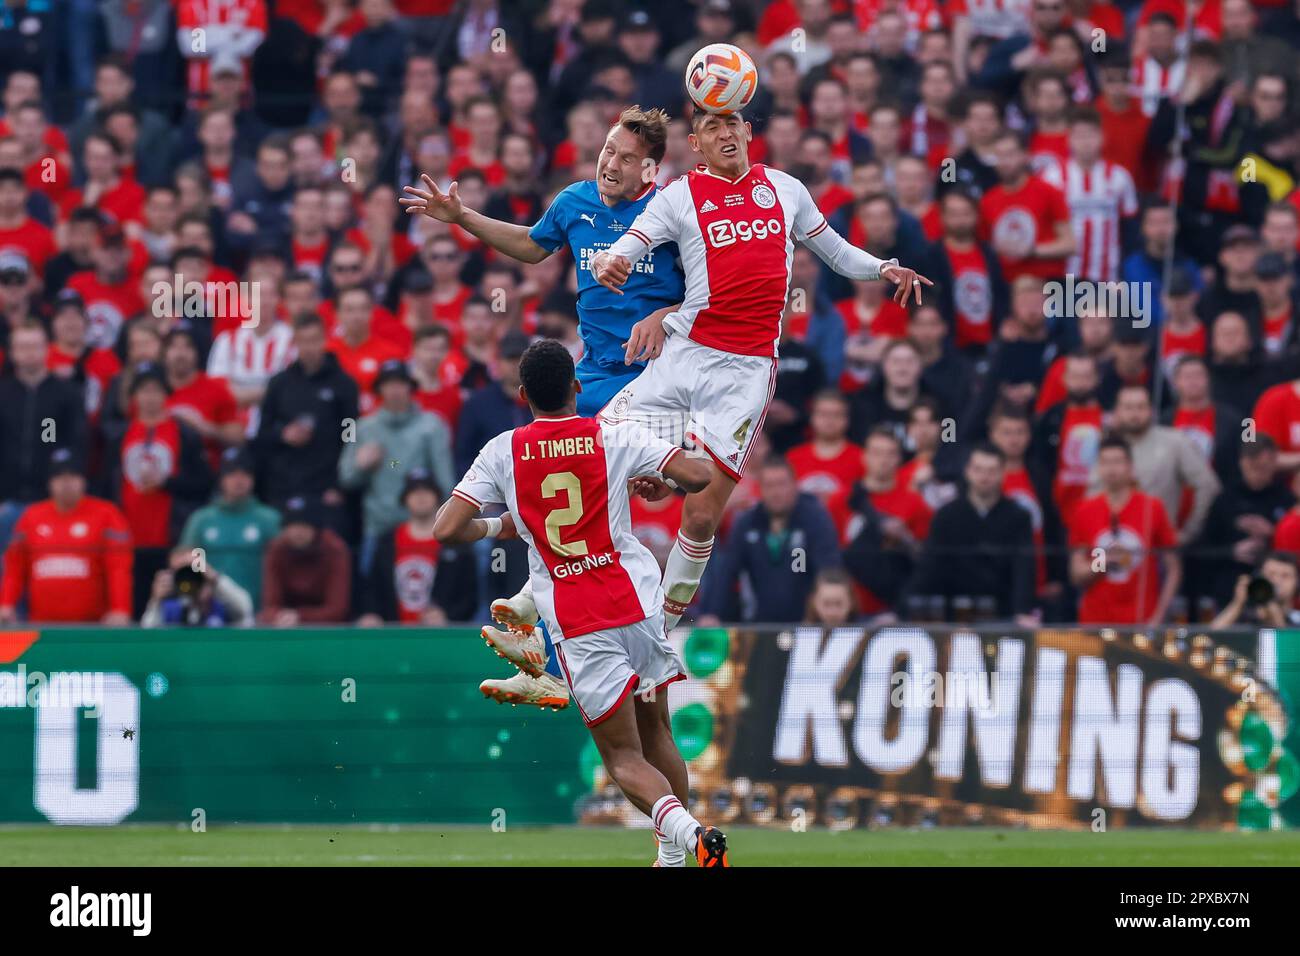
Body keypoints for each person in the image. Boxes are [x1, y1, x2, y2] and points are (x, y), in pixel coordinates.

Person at [433, 339, 728, 868]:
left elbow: (446, 529)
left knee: (621, 754)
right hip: (637, 600)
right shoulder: (614, 434)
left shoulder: (504, 450)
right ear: (577, 387)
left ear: (523, 394)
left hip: (579, 618)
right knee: (657, 728)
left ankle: (691, 837)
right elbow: (699, 477)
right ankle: (674, 857)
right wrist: (656, 480)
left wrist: (497, 526)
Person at [402, 105, 685, 418]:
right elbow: (531, 246)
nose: (612, 164)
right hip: (594, 372)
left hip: (658, 373)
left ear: (650, 170)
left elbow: (712, 293)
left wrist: (665, 316)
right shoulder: (574, 201)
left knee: (650, 465)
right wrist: (461, 216)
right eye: (609, 150)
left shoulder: (671, 210)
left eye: (627, 158)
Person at [337, 358, 453, 573]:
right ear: (380, 388)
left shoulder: (432, 425)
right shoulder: (362, 427)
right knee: (375, 594)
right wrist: (360, 465)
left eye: (400, 383)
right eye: (388, 384)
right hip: (378, 527)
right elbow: (345, 478)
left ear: (411, 386)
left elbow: (446, 483)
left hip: (422, 529)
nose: (395, 390)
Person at [695, 456, 841, 625]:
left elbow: (829, 570)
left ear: (795, 485)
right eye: (769, 486)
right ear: (761, 489)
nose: (776, 492)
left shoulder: (815, 519)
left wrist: (817, 618)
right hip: (761, 625)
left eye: (781, 484)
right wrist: (713, 613)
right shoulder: (748, 522)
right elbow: (727, 571)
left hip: (807, 625)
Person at [0, 449, 132, 625]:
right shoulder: (31, 517)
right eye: (60, 476)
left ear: (84, 480)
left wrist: (120, 609)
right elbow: (14, 569)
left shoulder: (107, 514)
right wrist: (6, 604)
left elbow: (119, 569)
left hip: (92, 626)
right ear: (50, 482)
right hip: (41, 627)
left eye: (73, 475)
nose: (66, 482)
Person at [911, 443, 1037, 624]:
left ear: (1003, 473)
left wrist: (1023, 611)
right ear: (967, 471)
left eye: (992, 470)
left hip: (1004, 615)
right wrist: (905, 609)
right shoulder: (946, 516)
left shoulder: (1019, 517)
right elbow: (929, 567)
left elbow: (1024, 568)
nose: (984, 477)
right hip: (955, 616)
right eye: (978, 469)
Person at [1069, 435, 1181, 626]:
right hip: (1095, 622)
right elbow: (1076, 574)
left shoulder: (1152, 508)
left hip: (1142, 622)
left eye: (1117, 462)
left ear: (1130, 467)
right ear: (1098, 467)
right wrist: (1103, 562)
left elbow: (1173, 569)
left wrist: (1159, 616)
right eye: (1105, 462)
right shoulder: (1084, 510)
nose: (1112, 468)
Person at [359, 470, 478, 627]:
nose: (421, 496)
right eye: (414, 492)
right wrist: (372, 615)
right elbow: (372, 586)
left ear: (437, 497)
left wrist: (449, 616)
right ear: (405, 499)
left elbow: (469, 594)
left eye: (427, 491)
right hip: (393, 634)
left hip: (439, 637)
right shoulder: (386, 542)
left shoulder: (456, 544)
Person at [177, 447, 281, 610]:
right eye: (232, 474)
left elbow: (284, 566)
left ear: (253, 478)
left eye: (245, 474)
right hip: (212, 611)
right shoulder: (202, 519)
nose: (238, 480)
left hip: (259, 612)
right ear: (221, 479)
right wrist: (202, 578)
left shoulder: (269, 519)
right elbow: (183, 559)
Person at [258, 496, 352, 626]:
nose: (298, 532)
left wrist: (299, 616)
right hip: (284, 624)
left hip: (328, 628)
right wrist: (279, 616)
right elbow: (270, 605)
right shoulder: (276, 549)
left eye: (304, 526)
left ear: (316, 529)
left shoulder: (335, 549)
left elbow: (337, 608)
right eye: (293, 526)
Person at [141, 545, 255, 627]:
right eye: (182, 573)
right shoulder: (169, 608)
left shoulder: (221, 606)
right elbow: (148, 636)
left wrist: (214, 579)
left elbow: (245, 609)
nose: (189, 579)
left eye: (193, 571)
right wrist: (156, 601)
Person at [1210, 551, 1300, 628]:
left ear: (1297, 582)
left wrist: (1275, 615)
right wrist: (1237, 603)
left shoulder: (1297, 619)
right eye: (1271, 574)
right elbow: (1208, 638)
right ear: (1259, 576)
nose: (1277, 581)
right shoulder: (1244, 616)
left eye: (1285, 576)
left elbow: (1288, 647)